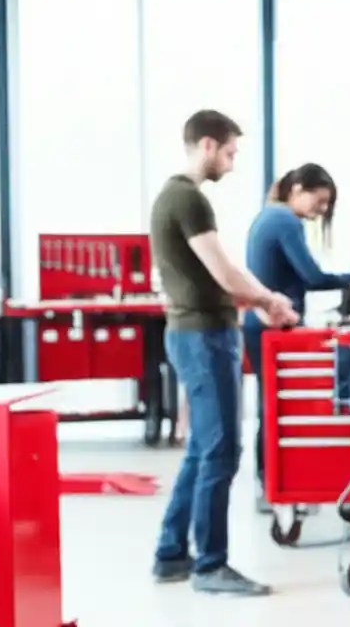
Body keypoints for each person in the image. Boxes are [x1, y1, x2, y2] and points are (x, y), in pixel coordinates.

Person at [149, 109, 298, 596]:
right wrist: (271, 300)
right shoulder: (188, 199)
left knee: (201, 450)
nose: (232, 164)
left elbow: (225, 270)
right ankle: (210, 565)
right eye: (230, 152)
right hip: (204, 336)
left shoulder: (175, 197)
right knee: (221, 451)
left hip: (195, 333)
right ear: (207, 145)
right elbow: (225, 273)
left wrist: (258, 299)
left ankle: (171, 554)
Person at [244, 163, 350, 496]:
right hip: (274, 326)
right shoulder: (285, 221)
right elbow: (312, 276)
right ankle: (274, 482)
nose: (320, 211)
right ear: (298, 190)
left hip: (258, 323)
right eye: (318, 202)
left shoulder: (267, 216)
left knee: (270, 401)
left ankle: (268, 479)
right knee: (276, 405)